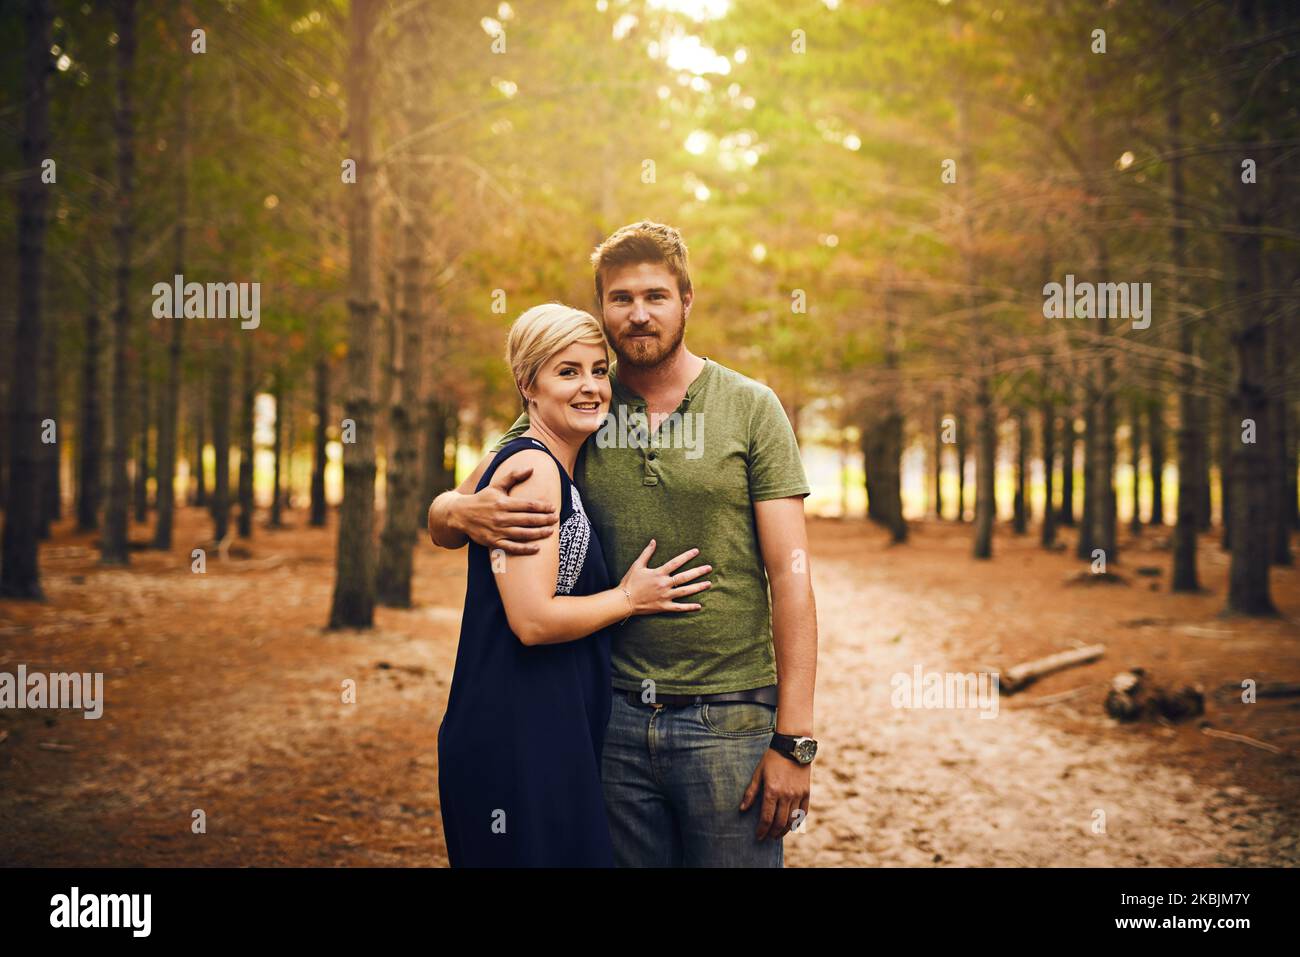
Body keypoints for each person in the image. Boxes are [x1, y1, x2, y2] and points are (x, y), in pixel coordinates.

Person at [430, 222, 820, 867]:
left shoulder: (751, 408)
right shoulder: (578, 402)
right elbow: (450, 514)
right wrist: (457, 508)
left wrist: (795, 739)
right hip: (605, 725)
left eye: (655, 296)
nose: (638, 314)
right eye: (620, 299)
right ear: (602, 308)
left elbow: (792, 575)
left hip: (728, 721)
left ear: (686, 301)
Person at [436, 302, 712, 867]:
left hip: (544, 726)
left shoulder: (541, 459)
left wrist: (450, 509)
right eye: (567, 372)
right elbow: (532, 621)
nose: (590, 387)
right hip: (518, 731)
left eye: (597, 370)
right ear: (527, 385)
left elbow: (447, 516)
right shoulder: (532, 469)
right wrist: (630, 599)